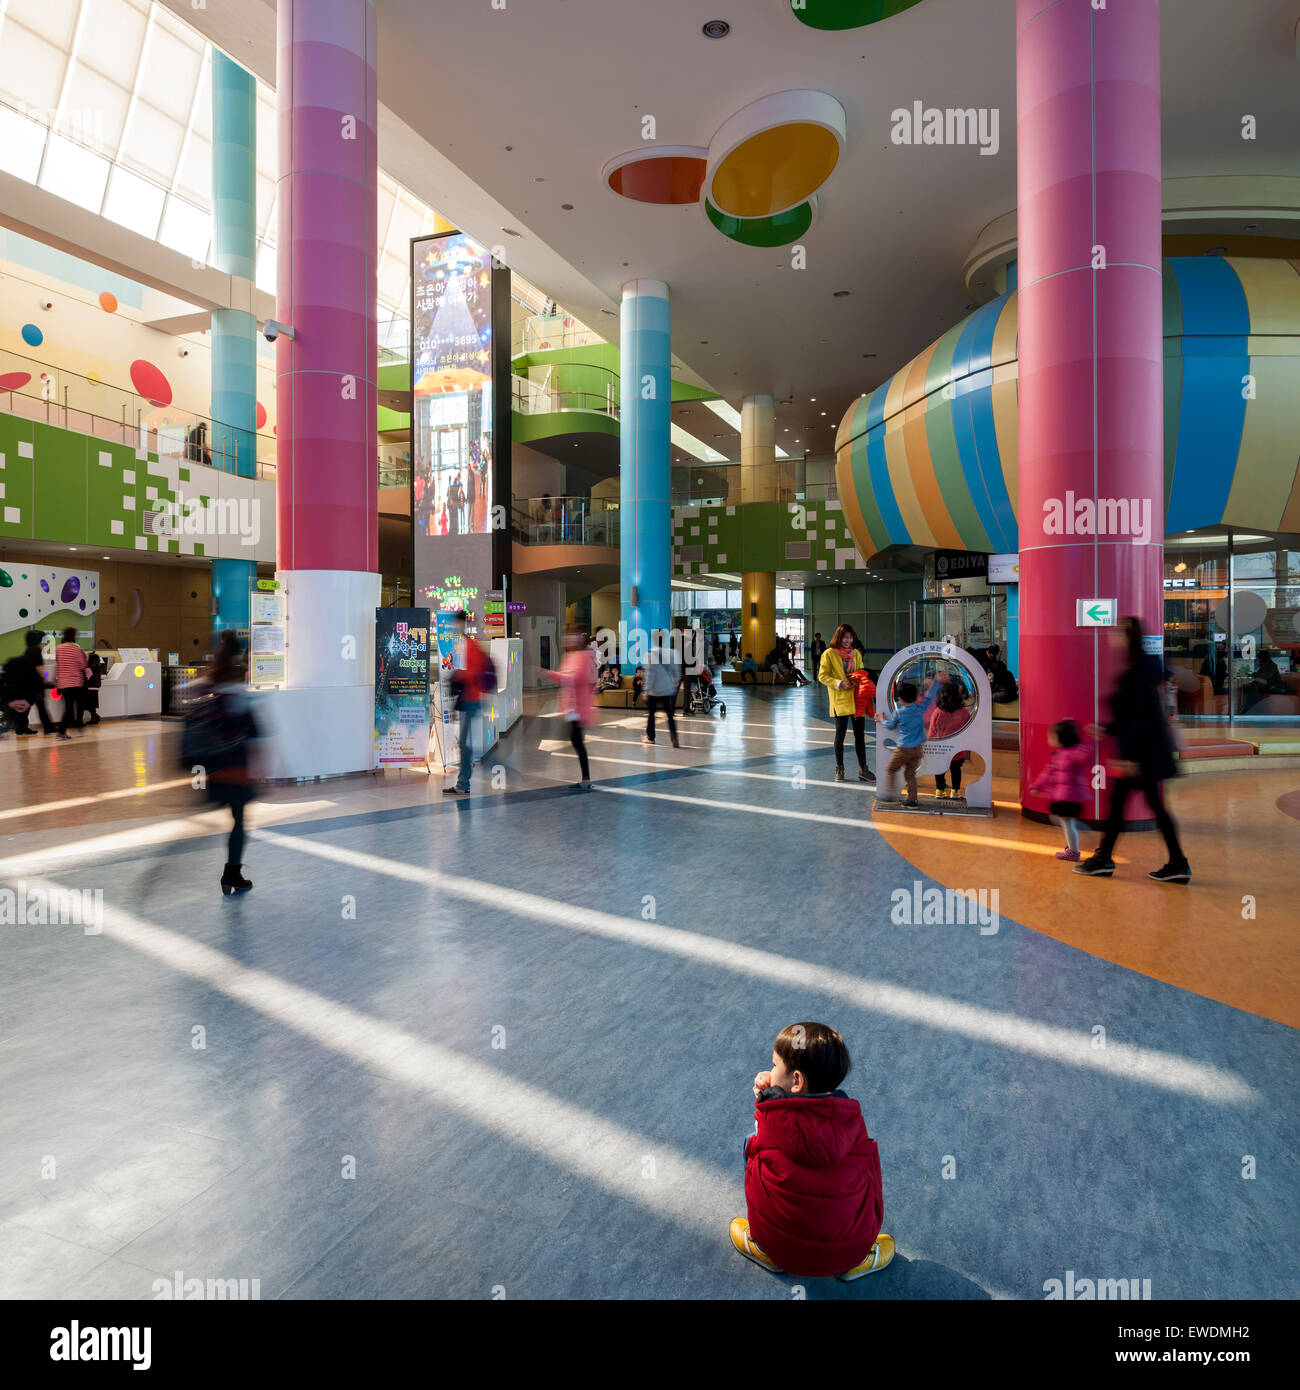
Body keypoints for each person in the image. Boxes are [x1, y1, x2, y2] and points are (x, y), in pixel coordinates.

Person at [730, 1021, 891, 1281]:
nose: (770, 1071)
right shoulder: (852, 1119)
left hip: (781, 1249)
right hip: (850, 1250)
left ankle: (763, 1247)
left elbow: (766, 1136)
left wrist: (764, 1099)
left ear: (796, 1080)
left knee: (752, 1142)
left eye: (774, 1065)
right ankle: (859, 1260)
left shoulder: (771, 1118)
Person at [1076, 615, 1190, 882]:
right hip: (1149, 751)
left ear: (1127, 638)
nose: (1113, 637)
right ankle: (1176, 862)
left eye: (1118, 633)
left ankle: (1105, 858)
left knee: (1123, 807)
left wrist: (1128, 758)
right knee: (1147, 807)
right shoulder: (1146, 669)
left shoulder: (1135, 674)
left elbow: (1137, 719)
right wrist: (1107, 728)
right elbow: (1135, 715)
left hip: (1140, 755)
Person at [183, 631, 260, 895]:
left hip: (213, 768)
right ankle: (232, 873)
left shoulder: (207, 683)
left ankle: (232, 873)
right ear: (239, 656)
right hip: (236, 769)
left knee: (230, 816)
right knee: (239, 821)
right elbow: (256, 731)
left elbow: (188, 708)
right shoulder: (239, 691)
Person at [876, 671, 946, 805]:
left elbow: (890, 726)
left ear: (900, 699)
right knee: (910, 775)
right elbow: (930, 697)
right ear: (915, 697)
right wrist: (936, 683)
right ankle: (912, 800)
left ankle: (889, 796)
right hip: (917, 750)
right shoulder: (920, 708)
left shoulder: (899, 713)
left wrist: (881, 719)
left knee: (890, 770)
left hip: (903, 749)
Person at [1029, 718, 1093, 862]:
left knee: (1067, 823)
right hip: (1067, 797)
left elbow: (1047, 773)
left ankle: (1074, 851)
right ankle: (1075, 843)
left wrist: (1037, 787)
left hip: (1068, 798)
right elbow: (1047, 774)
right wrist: (1037, 786)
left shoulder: (1066, 754)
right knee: (1063, 821)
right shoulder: (1061, 753)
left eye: (1052, 736)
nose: (1049, 739)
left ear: (1062, 738)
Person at [446, 610, 496, 795]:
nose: (454, 627)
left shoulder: (469, 645)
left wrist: (456, 675)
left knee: (464, 744)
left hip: (470, 698)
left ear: (461, 624)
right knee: (465, 743)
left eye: (456, 624)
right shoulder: (466, 644)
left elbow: (473, 672)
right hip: (469, 698)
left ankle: (464, 782)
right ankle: (463, 781)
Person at [540, 627, 596, 789]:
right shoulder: (569, 656)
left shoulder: (584, 656)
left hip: (579, 709)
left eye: (574, 637)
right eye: (569, 637)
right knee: (576, 741)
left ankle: (586, 779)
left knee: (577, 742)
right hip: (571, 709)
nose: (570, 640)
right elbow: (566, 678)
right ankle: (585, 779)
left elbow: (574, 678)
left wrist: (549, 673)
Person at [819, 624, 873, 783]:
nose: (848, 641)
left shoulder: (856, 653)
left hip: (857, 699)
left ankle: (863, 769)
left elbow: (861, 671)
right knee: (840, 735)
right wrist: (839, 683)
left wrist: (859, 679)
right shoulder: (828, 654)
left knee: (860, 736)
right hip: (840, 700)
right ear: (839, 637)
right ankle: (840, 769)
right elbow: (822, 676)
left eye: (850, 638)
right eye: (845, 637)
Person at [1, 632, 56, 735]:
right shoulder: (37, 650)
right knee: (41, 707)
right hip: (36, 684)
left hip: (27, 684)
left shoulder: (28, 650)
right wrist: (46, 678)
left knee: (26, 707)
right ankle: (48, 727)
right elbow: (40, 668)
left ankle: (21, 728)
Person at [927, 676, 972, 799]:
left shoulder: (938, 712)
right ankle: (955, 791)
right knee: (956, 769)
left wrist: (930, 743)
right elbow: (968, 728)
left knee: (939, 769)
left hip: (940, 747)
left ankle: (939, 790)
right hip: (957, 748)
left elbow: (932, 730)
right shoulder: (963, 712)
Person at [642, 635, 682, 747]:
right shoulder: (672, 653)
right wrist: (674, 685)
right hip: (668, 690)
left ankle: (651, 737)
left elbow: (650, 675)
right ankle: (674, 738)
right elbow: (677, 672)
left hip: (654, 691)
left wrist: (646, 690)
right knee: (670, 715)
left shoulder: (650, 654)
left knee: (651, 714)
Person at [53, 627, 88, 738]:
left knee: (68, 707)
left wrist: (55, 681)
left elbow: (57, 666)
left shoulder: (58, 649)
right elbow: (83, 665)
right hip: (76, 682)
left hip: (63, 682)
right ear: (74, 636)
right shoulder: (77, 650)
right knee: (78, 706)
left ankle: (65, 729)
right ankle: (64, 729)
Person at [82, 650, 104, 725]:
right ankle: (95, 717)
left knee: (88, 705)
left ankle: (95, 717)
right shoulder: (98, 668)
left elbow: (86, 678)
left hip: (89, 688)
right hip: (96, 688)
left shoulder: (88, 669)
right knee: (92, 705)